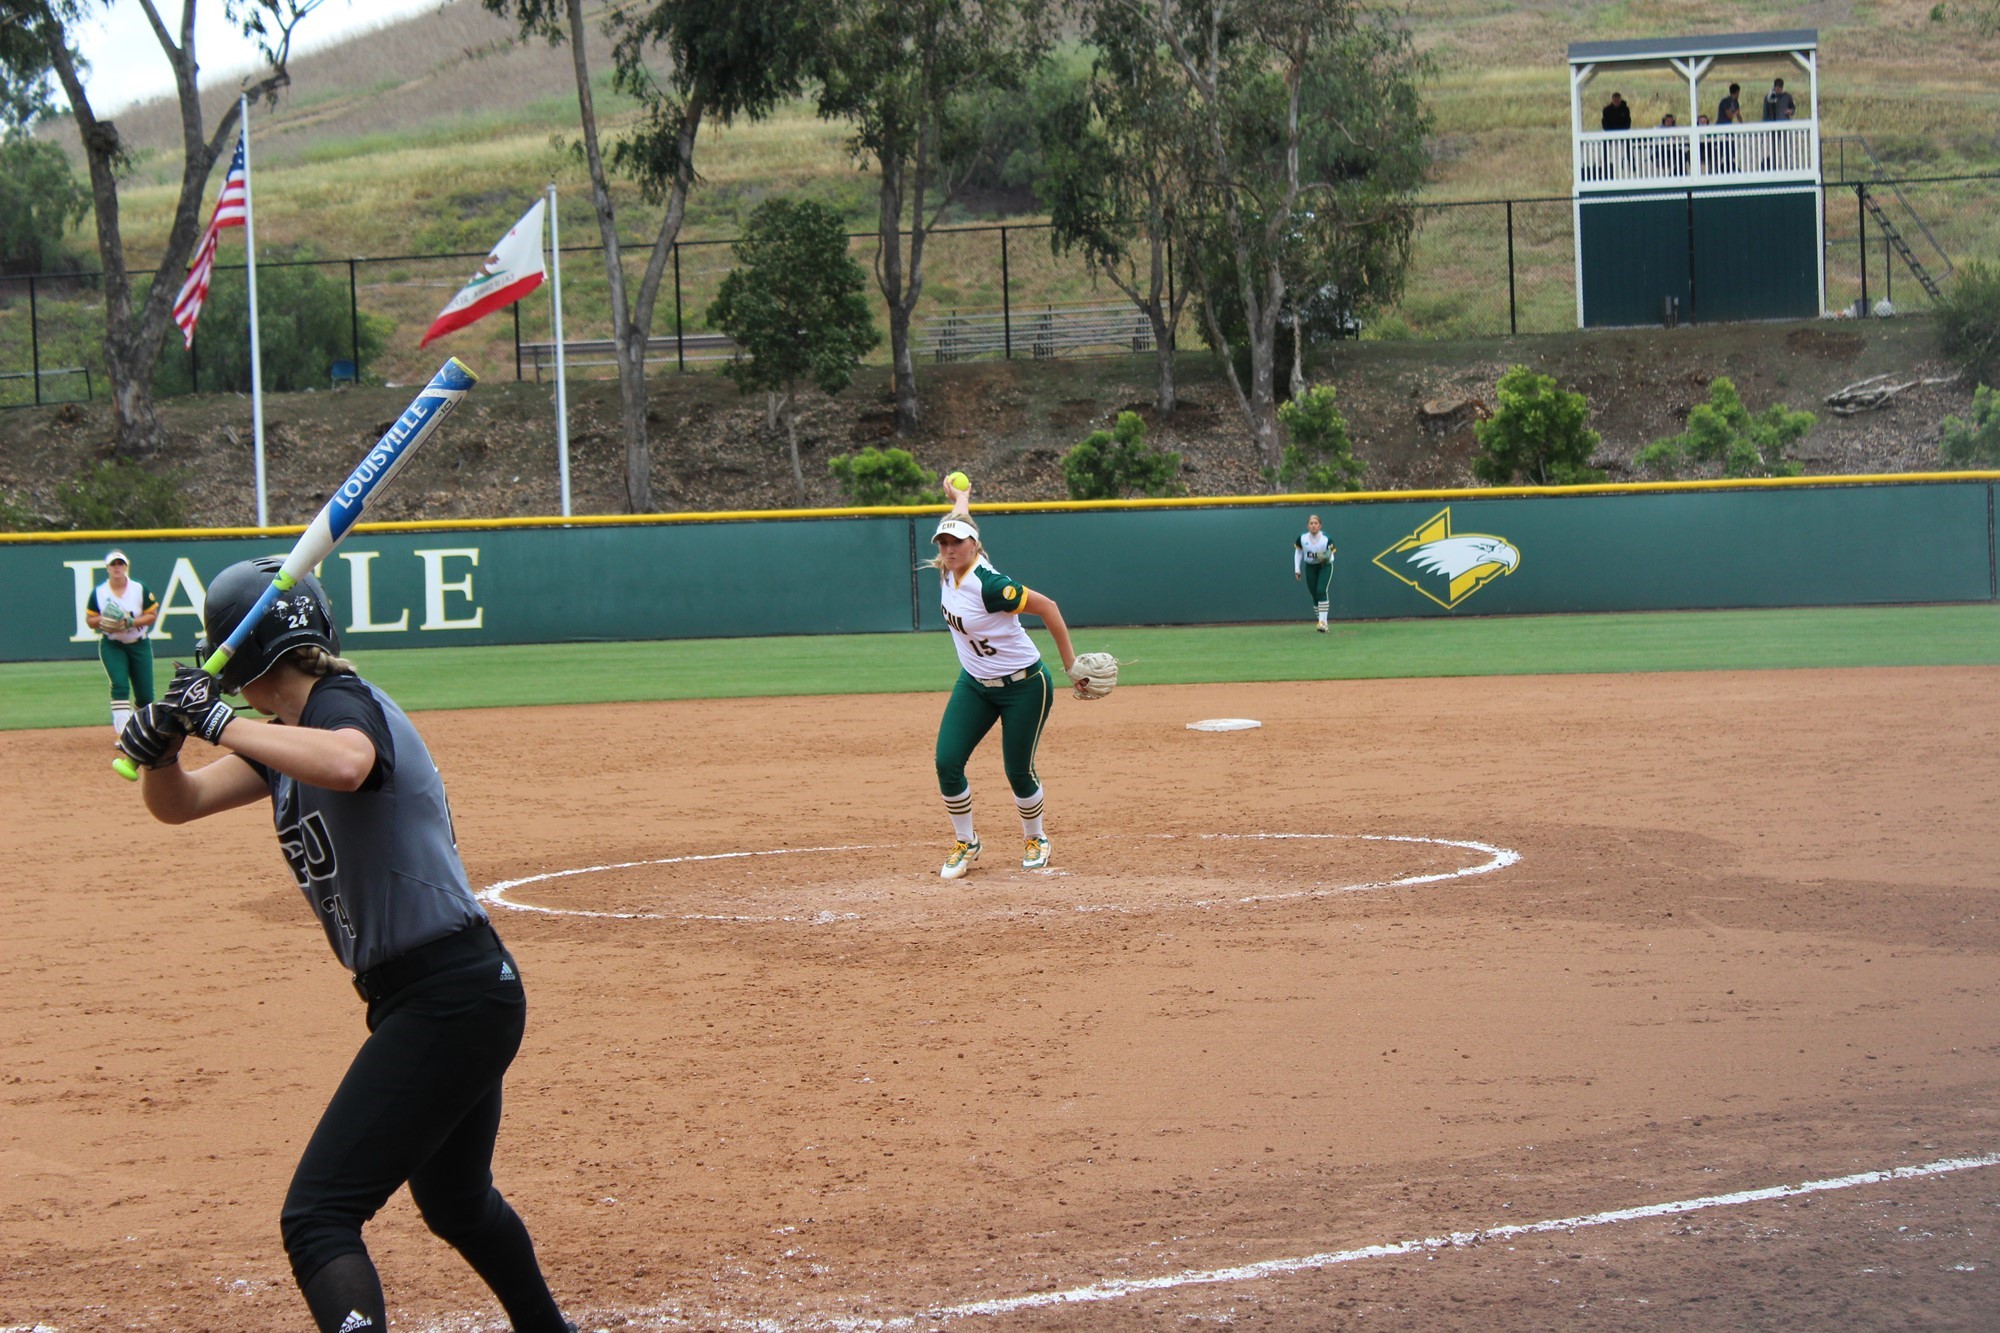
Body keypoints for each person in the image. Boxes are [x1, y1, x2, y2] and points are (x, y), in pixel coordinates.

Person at [115, 556, 576, 1333]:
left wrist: (220, 721)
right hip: (439, 996)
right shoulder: (290, 735)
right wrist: (164, 749)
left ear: (245, 655)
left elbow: (351, 761)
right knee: (457, 1202)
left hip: (451, 993)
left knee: (319, 1216)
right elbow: (180, 804)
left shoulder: (341, 705)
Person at [928, 476, 1088, 879]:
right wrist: (961, 499)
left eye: (956, 543)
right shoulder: (948, 570)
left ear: (974, 546)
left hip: (1024, 686)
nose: (948, 549)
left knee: (1017, 770)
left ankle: (1036, 838)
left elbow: (1049, 607)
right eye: (943, 543)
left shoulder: (992, 587)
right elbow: (960, 521)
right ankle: (966, 841)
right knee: (947, 761)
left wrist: (1071, 667)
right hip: (975, 684)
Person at [85, 547, 160, 737]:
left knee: (144, 694)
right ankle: (124, 734)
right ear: (108, 568)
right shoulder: (100, 592)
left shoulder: (139, 588)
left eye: (120, 564)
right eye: (113, 564)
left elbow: (152, 615)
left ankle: (140, 730)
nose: (117, 567)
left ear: (126, 567)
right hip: (113, 644)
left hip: (139, 643)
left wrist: (132, 622)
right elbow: (90, 619)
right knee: (119, 685)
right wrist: (104, 622)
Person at [1293, 514, 1336, 633]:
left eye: (1316, 523)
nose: (1313, 526)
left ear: (1320, 525)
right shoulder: (1302, 538)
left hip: (1324, 566)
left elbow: (1330, 554)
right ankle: (1321, 622)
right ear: (1307, 525)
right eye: (1311, 523)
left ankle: (1323, 623)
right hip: (1310, 567)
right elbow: (1298, 552)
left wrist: (1326, 556)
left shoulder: (1326, 538)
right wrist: (1297, 569)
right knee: (1314, 594)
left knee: (1321, 590)